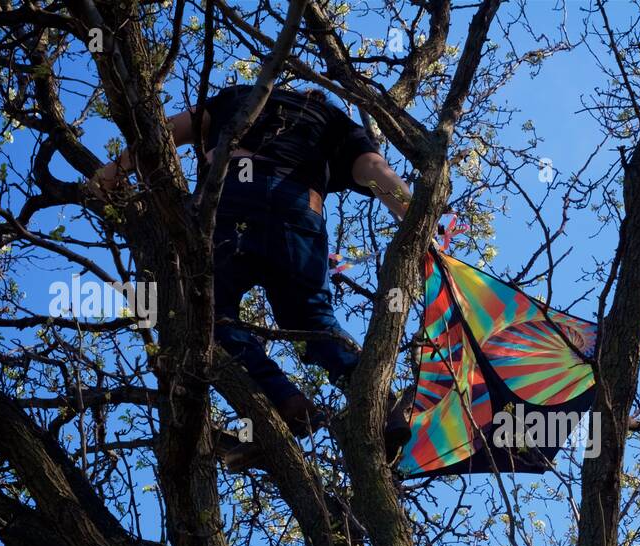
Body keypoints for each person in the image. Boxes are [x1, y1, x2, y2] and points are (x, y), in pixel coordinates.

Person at [90, 83, 413, 468]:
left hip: (232, 197)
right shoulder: (332, 119)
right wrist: (416, 221)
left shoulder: (243, 96)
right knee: (315, 324)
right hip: (298, 212)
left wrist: (114, 170)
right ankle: (381, 405)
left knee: (204, 313)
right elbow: (374, 172)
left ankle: (284, 399)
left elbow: (167, 133)